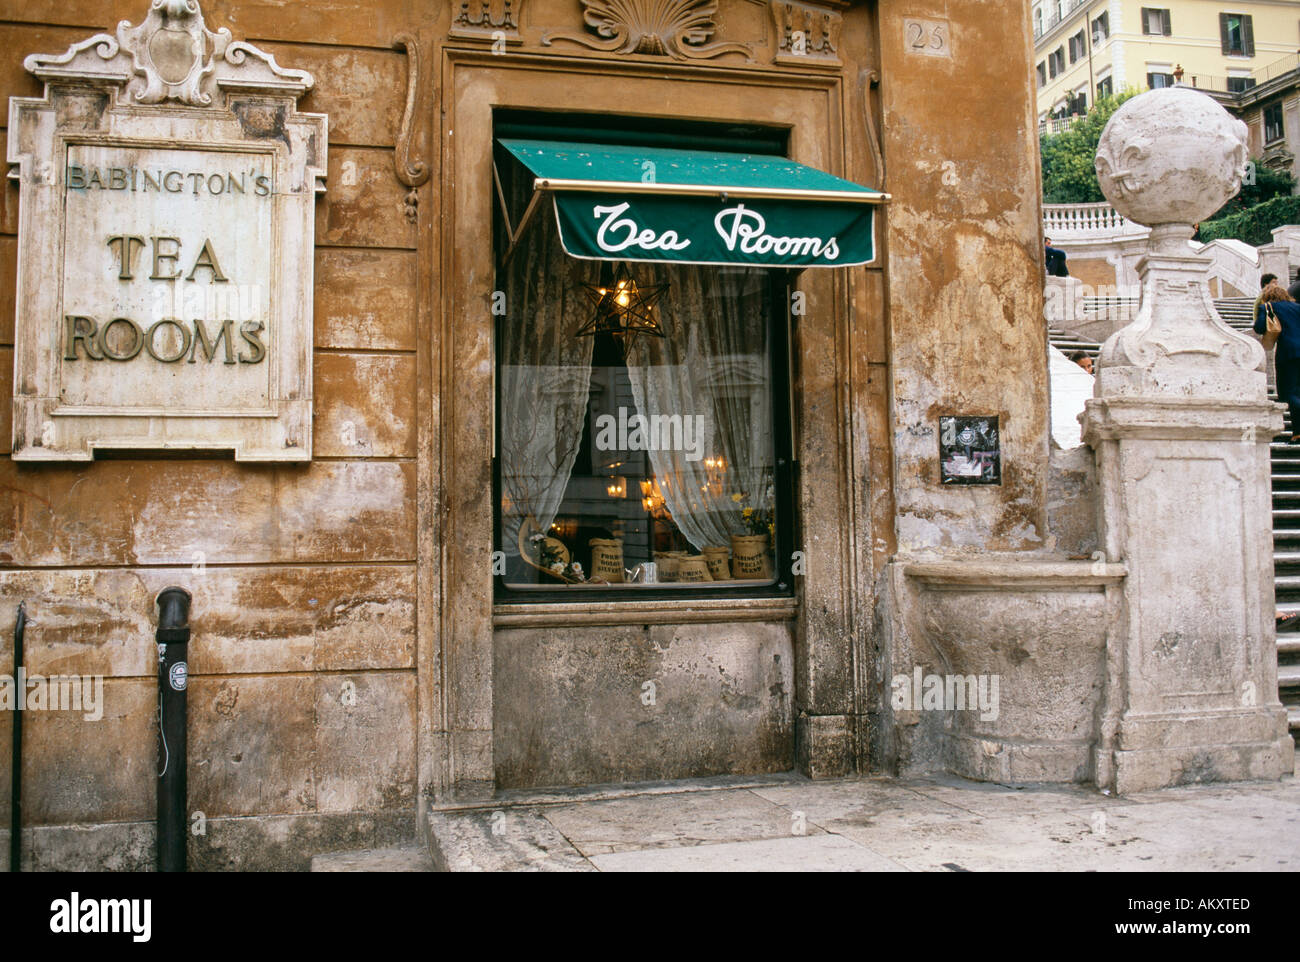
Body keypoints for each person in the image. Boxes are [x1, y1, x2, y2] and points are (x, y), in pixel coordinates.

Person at [1255, 283, 1300, 443]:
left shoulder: (1268, 306)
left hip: (1288, 353)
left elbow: (1259, 327)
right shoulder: (1297, 307)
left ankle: (1298, 432)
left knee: (1290, 393)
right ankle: (1296, 433)